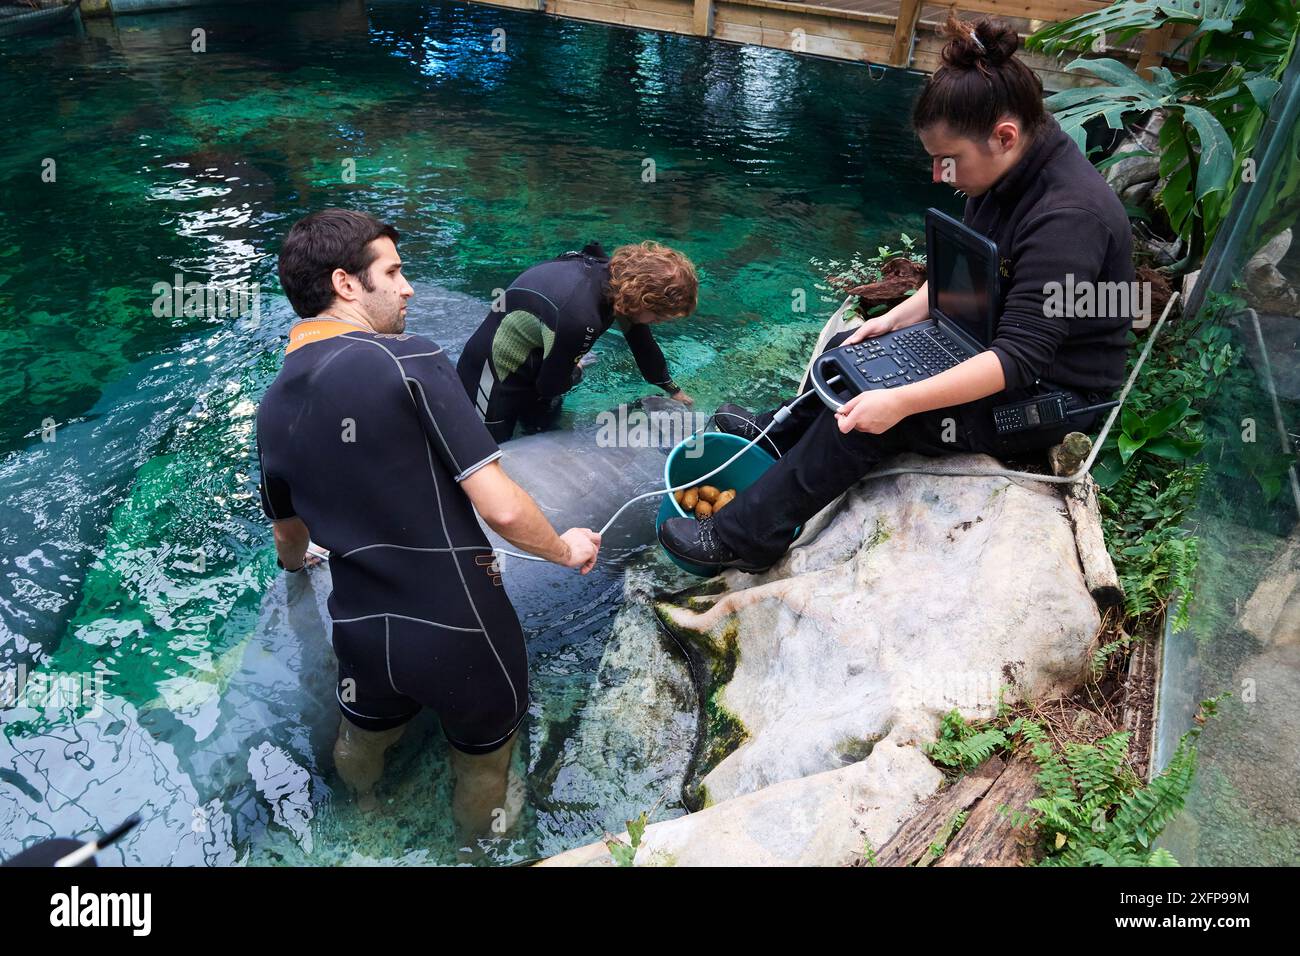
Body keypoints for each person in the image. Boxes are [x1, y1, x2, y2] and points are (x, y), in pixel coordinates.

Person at [659, 14, 1137, 573]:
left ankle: (747, 537)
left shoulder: (1069, 218)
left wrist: (902, 402)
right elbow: (965, 277)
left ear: (1004, 136)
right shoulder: (1009, 168)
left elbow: (1019, 359)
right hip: (985, 336)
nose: (939, 174)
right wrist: (897, 318)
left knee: (872, 419)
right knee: (851, 348)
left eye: (947, 160)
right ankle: (775, 439)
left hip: (1049, 391)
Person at [255, 209, 602, 836]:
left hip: (360, 629)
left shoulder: (273, 404)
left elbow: (287, 536)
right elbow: (498, 504)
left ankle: (362, 826)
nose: (408, 287)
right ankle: (474, 852)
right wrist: (562, 548)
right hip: (461, 626)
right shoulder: (408, 359)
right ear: (346, 283)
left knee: (362, 742)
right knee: (484, 765)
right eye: (394, 271)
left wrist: (297, 566)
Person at [456, 240, 698, 442]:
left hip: (538, 359)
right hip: (492, 378)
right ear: (642, 301)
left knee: (543, 435)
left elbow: (642, 345)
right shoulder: (581, 317)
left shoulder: (615, 279)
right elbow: (550, 386)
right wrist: (573, 370)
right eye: (657, 317)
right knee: (489, 454)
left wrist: (672, 390)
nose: (657, 323)